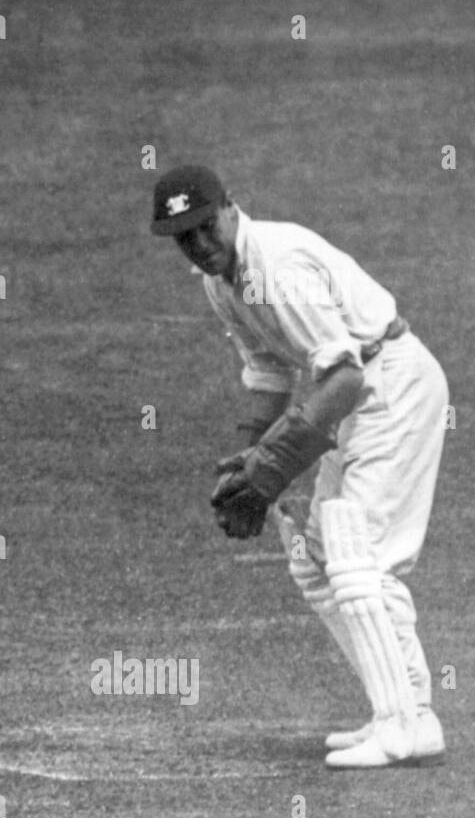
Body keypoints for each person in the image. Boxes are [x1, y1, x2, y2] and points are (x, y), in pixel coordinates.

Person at [150, 165, 448, 769]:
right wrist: (247, 454)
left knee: (360, 555)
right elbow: (269, 372)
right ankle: (404, 712)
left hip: (390, 386)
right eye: (185, 236)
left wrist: (271, 471)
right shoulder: (221, 282)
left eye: (206, 227)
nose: (200, 245)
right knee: (315, 560)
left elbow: (345, 376)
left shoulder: (278, 268)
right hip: (356, 396)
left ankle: (403, 726)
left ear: (231, 207)